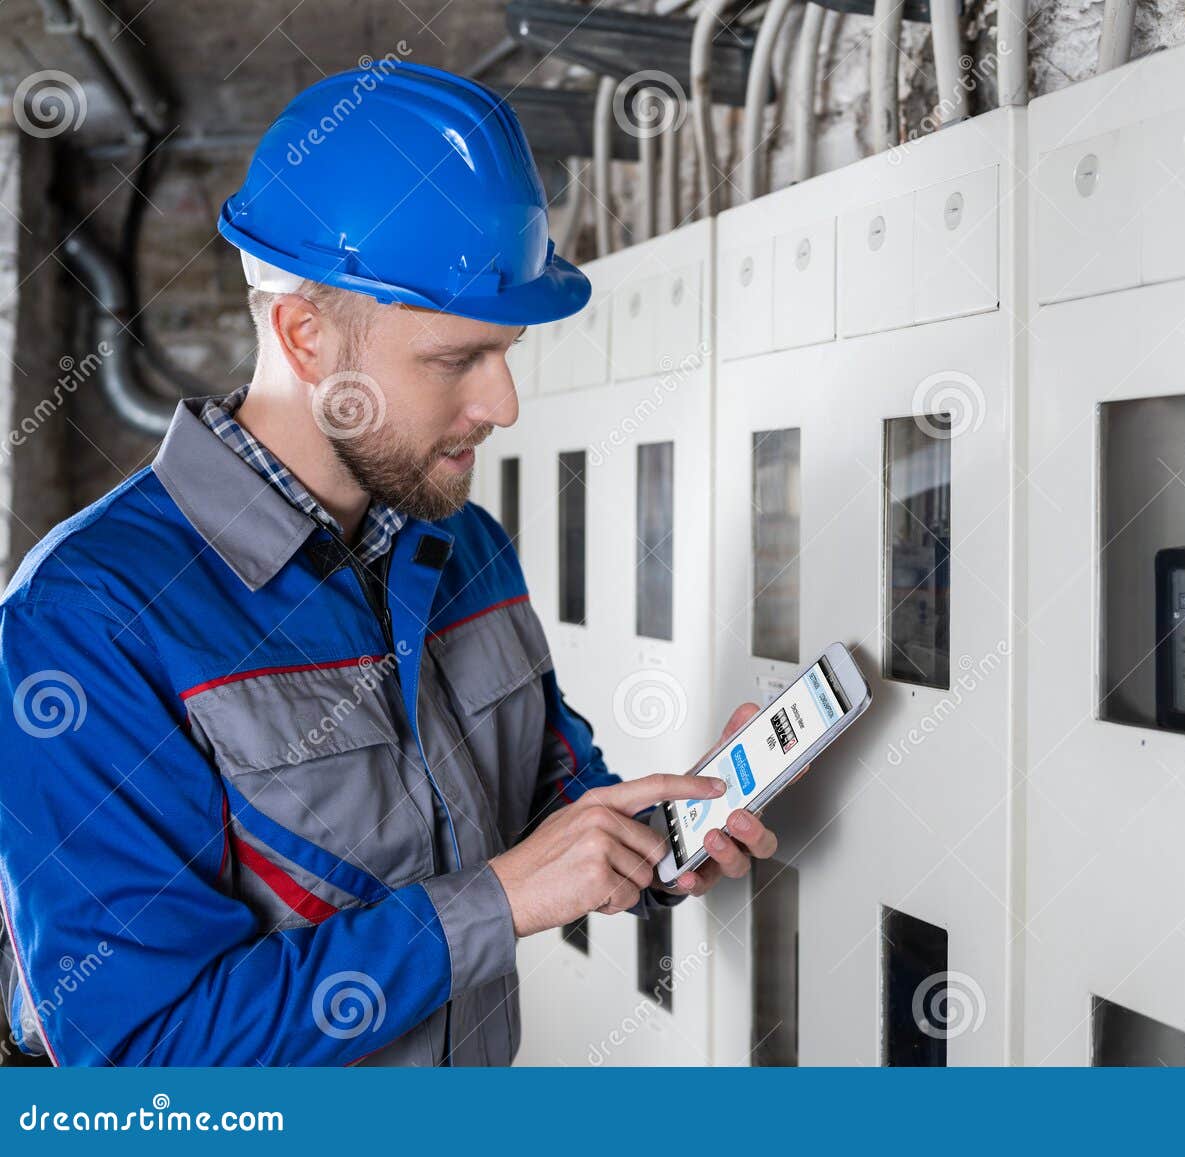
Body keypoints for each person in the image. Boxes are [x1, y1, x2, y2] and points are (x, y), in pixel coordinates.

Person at [0, 61, 779, 1066]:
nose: (502, 405)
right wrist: (497, 901)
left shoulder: (465, 546)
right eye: (456, 360)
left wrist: (669, 831)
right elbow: (143, 1053)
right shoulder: (88, 618)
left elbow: (551, 803)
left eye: (506, 351)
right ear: (306, 337)